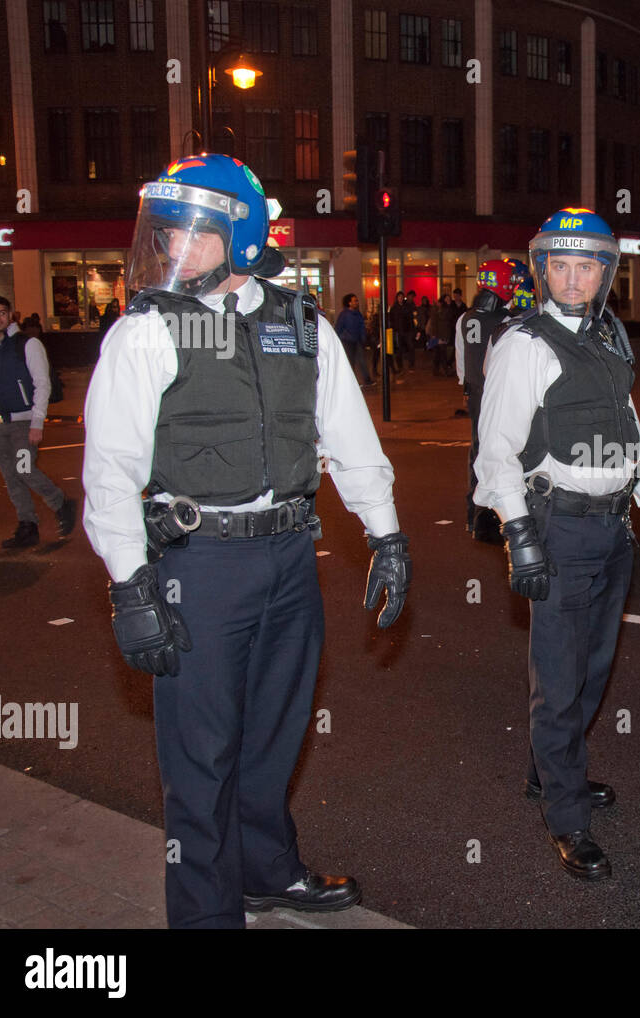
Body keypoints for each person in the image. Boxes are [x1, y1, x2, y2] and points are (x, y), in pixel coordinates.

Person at [81, 153, 410, 928]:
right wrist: (131, 587)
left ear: (246, 237)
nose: (172, 253)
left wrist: (387, 533)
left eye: (191, 236)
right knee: (200, 763)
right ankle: (204, 916)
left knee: (274, 735)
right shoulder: (146, 332)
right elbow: (109, 473)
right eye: (164, 237)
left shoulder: (302, 324)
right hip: (201, 564)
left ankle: (265, 871)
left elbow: (351, 440)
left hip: (291, 557)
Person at [474, 208, 640, 881]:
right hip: (557, 526)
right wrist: (519, 532)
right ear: (541, 270)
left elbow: (629, 423)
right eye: (559, 264)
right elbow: (495, 451)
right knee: (558, 678)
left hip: (611, 526)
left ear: (605, 273)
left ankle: (547, 770)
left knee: (592, 667)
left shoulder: (611, 337)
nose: (572, 276)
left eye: (585, 264)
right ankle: (567, 816)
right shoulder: (524, 345)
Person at [0, 295, 77, 548]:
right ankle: (27, 526)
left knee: (24, 469)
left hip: (24, 422)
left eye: (2, 313)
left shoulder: (28, 344)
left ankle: (60, 502)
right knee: (11, 477)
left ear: (11, 315)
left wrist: (37, 422)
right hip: (1, 423)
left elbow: (43, 384)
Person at [456, 258, 518, 544]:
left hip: (474, 394)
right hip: (496, 394)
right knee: (501, 450)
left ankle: (473, 514)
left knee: (477, 450)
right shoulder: (505, 321)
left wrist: (467, 387)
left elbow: (460, 361)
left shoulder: (465, 318)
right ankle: (494, 515)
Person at [335, 292, 373, 387]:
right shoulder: (344, 315)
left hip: (357, 341)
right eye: (355, 301)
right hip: (347, 341)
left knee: (362, 361)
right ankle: (351, 383)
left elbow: (361, 327)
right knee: (350, 362)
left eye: (357, 300)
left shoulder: (358, 314)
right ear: (349, 303)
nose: (357, 302)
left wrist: (363, 338)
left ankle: (367, 380)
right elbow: (338, 328)